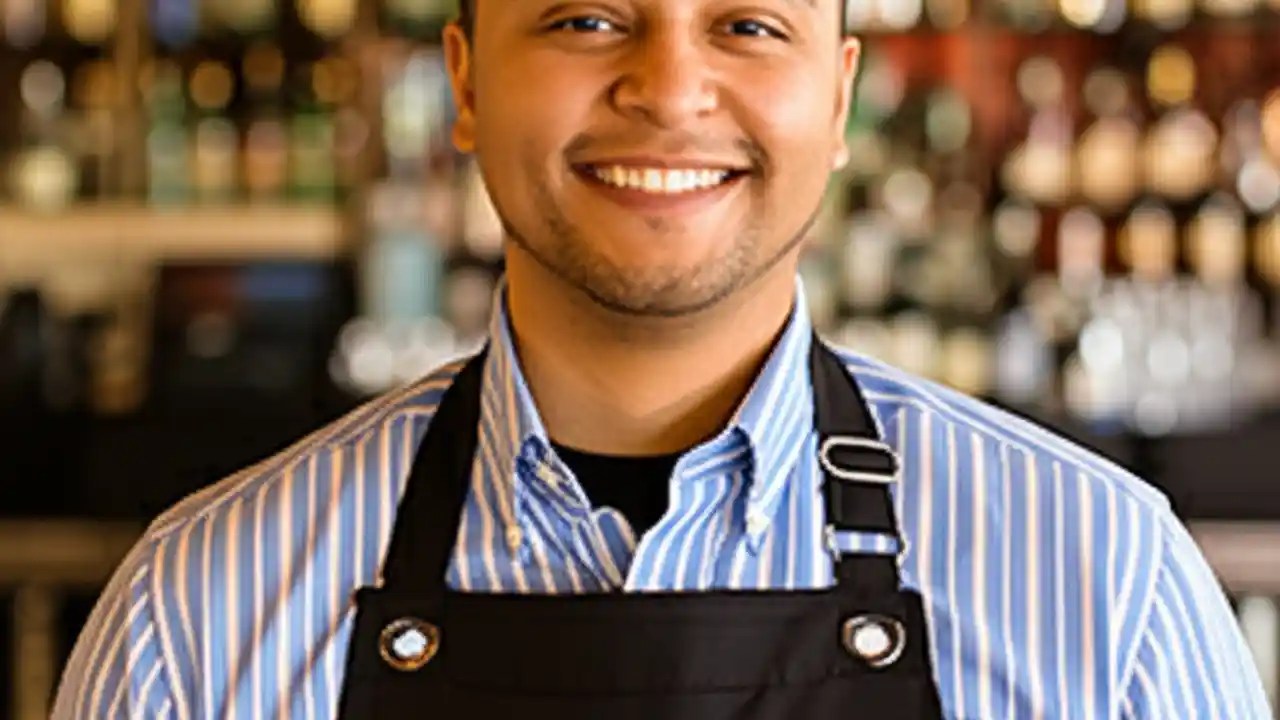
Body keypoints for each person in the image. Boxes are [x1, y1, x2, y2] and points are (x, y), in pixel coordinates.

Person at [54, 0, 1272, 717]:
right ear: (465, 79)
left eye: (744, 23)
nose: (669, 88)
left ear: (837, 102)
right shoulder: (196, 617)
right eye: (586, 18)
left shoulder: (1106, 587)